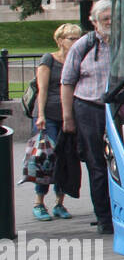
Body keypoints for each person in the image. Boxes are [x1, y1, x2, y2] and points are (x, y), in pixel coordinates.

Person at [62, 0, 114, 234]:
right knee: (97, 165)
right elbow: (67, 81)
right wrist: (68, 117)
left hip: (119, 109)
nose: (110, 22)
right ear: (94, 22)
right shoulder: (83, 45)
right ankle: (104, 217)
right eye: (105, 19)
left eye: (114, 18)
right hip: (90, 109)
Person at [30, 23, 82, 221]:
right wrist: (41, 115)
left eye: (78, 38)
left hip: (68, 116)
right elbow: (42, 89)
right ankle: (39, 201)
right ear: (60, 41)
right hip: (49, 115)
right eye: (71, 38)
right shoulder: (49, 59)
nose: (76, 42)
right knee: (47, 158)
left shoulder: (77, 61)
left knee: (66, 158)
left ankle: (59, 203)